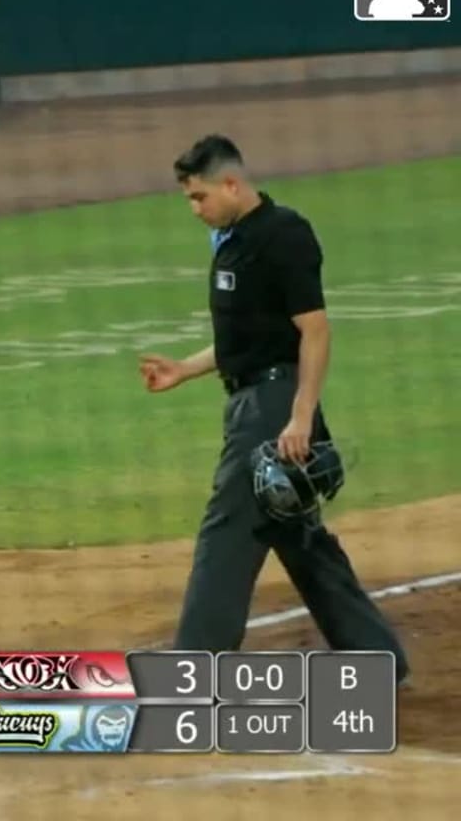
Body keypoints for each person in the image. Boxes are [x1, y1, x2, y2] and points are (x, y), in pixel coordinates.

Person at [139, 135, 409, 684]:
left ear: (231, 184)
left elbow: (315, 331)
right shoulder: (233, 242)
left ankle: (194, 669)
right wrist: (184, 369)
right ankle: (377, 659)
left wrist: (301, 415)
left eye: (199, 197)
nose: (195, 209)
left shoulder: (283, 234)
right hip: (259, 400)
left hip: (273, 409)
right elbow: (248, 342)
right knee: (297, 536)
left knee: (226, 532)